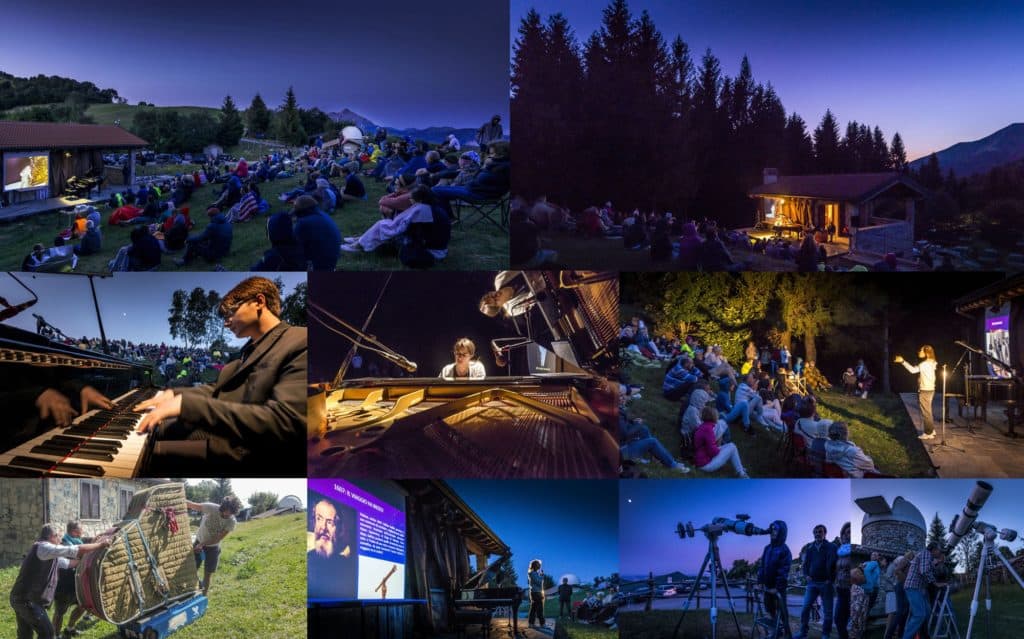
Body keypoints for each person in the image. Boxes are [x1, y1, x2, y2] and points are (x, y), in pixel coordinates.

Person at [134, 277, 307, 475]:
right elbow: (219, 389)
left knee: (150, 456)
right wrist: (174, 394)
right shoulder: (246, 351)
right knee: (155, 429)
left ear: (259, 302)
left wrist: (188, 406)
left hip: (252, 453)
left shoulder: (300, 341)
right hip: (225, 433)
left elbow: (284, 421)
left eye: (230, 313)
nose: (226, 323)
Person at [9, 524, 111, 639]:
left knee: (25, 635)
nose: (60, 539)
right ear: (51, 537)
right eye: (57, 536)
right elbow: (76, 549)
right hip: (27, 600)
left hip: (20, 598)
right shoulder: (44, 547)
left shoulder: (50, 554)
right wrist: (101, 544)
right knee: (47, 633)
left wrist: (87, 557)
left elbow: (70, 564)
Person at [187, 495, 241, 596]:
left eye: (230, 514)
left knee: (208, 574)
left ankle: (204, 596)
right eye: (225, 512)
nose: (226, 515)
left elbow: (218, 538)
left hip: (213, 548)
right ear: (222, 507)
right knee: (192, 569)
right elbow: (191, 505)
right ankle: (190, 592)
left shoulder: (231, 521)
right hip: (198, 542)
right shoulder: (211, 508)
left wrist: (203, 544)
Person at [307, 498, 357, 600]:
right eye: (319, 519)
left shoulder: (347, 568)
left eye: (330, 522)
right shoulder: (305, 561)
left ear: (339, 528)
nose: (323, 528)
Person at [795, 524, 837, 639]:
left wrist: (831, 580)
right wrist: (806, 575)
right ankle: (803, 632)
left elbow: (836, 565)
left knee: (828, 612)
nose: (818, 534)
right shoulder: (810, 548)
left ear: (825, 533)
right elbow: (805, 565)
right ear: (813, 534)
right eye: (816, 532)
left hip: (826, 583)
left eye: (820, 532)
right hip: (812, 583)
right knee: (805, 607)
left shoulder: (832, 547)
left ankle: (825, 634)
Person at [901, 544, 947, 639]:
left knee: (927, 611)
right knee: (919, 615)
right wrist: (935, 583)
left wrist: (937, 564)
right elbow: (924, 571)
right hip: (913, 587)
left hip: (919, 589)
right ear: (933, 549)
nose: (940, 552)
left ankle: (923, 635)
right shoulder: (926, 553)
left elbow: (928, 569)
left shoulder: (928, 557)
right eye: (939, 550)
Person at [52, 521, 88, 639]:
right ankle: (56, 635)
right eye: (80, 530)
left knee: (83, 606)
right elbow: (80, 553)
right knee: (60, 613)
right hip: (64, 585)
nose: (82, 532)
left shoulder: (78, 543)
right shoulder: (65, 545)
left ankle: (70, 628)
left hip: (77, 584)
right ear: (74, 532)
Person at [757, 520, 793, 639]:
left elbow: (783, 571)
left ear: (782, 532)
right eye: (771, 529)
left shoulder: (785, 550)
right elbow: (762, 566)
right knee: (769, 608)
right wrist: (760, 582)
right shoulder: (767, 548)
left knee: (782, 612)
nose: (772, 532)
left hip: (778, 589)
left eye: (775, 529)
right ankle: (776, 631)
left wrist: (777, 588)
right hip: (767, 587)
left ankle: (788, 633)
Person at [694, 405, 749, 477]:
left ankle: (740, 469)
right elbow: (712, 451)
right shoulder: (708, 429)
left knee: (731, 445)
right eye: (716, 415)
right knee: (732, 447)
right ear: (712, 417)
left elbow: (709, 448)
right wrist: (721, 452)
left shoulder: (704, 426)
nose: (717, 417)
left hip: (702, 459)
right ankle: (742, 474)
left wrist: (720, 450)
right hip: (705, 464)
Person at [895, 346, 937, 439]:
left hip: (925, 390)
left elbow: (912, 370)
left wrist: (903, 361)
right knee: (928, 411)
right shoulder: (932, 362)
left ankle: (928, 433)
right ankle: (931, 429)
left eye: (921, 350)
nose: (919, 352)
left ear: (926, 352)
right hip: (931, 389)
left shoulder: (924, 364)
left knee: (926, 412)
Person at [291, 194, 341, 271]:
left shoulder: (302, 223)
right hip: (332, 261)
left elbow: (294, 247)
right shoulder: (323, 214)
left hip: (319, 266)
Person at [834, 523, 853, 639]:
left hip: (850, 590)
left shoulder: (853, 549)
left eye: (851, 532)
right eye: (846, 532)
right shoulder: (841, 551)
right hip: (840, 589)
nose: (848, 535)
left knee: (844, 621)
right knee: (839, 620)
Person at [849, 568, 868, 639]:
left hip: (857, 622)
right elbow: (856, 609)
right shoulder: (859, 591)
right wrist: (854, 621)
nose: (863, 576)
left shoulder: (853, 588)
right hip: (857, 623)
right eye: (861, 574)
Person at [528, 559, 545, 628]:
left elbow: (538, 582)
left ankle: (531, 624)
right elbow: (538, 582)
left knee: (534, 608)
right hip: (536, 593)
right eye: (538, 564)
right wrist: (542, 576)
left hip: (537, 592)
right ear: (535, 565)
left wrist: (540, 576)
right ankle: (542, 624)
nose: (540, 565)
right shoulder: (533, 573)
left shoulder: (535, 573)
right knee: (539, 609)